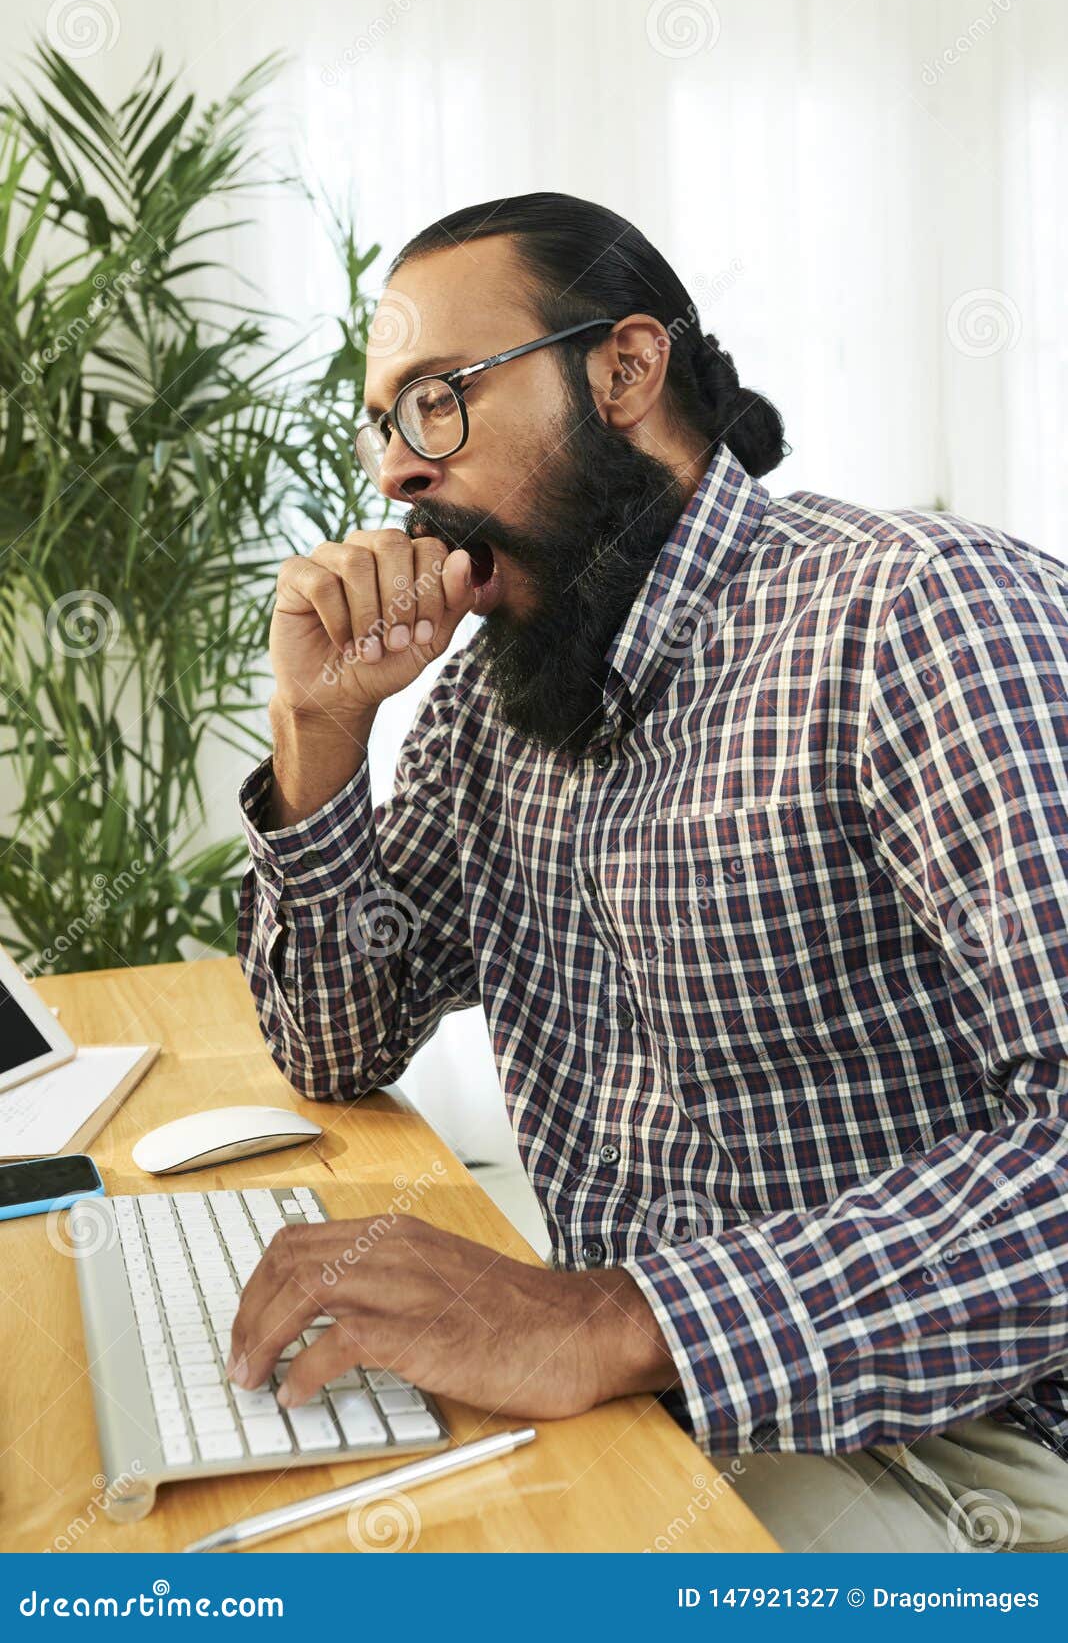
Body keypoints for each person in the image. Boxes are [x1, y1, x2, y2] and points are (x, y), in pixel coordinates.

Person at [231, 192, 1068, 1552]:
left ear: (622, 371)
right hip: (656, 1392)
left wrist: (616, 1315)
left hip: (962, 1434)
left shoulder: (915, 612)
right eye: (384, 420)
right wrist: (321, 735)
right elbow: (337, 1040)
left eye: (438, 398)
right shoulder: (493, 707)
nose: (395, 470)